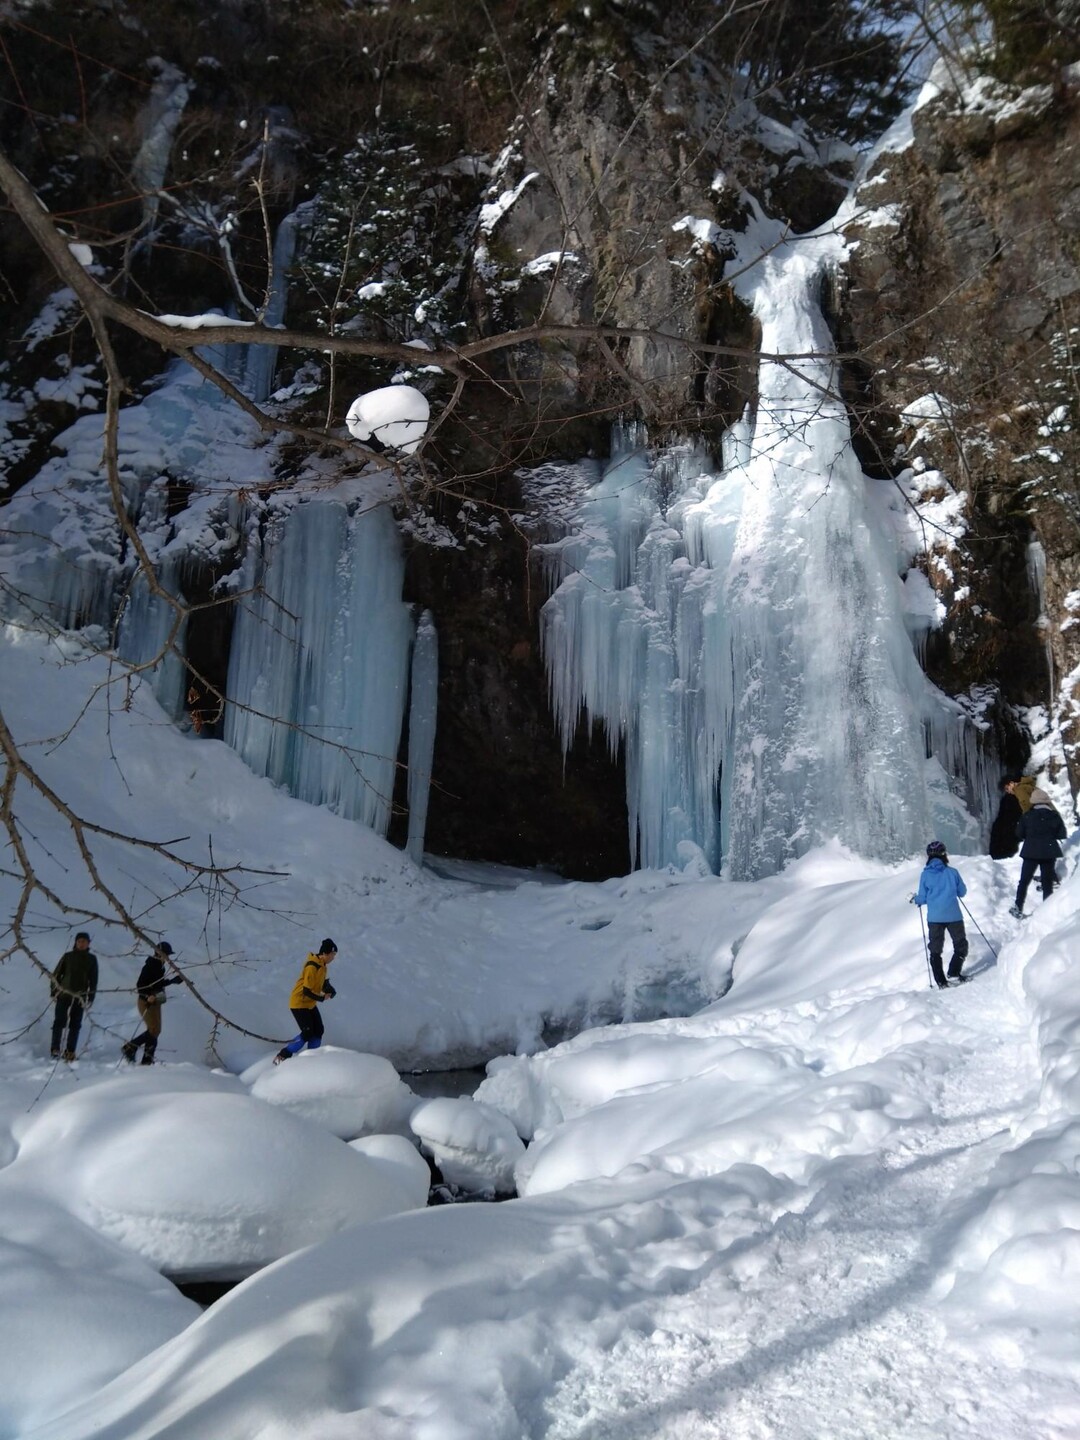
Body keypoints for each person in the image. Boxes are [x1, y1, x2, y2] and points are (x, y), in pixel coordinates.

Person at [912, 840, 969, 988]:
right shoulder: (952, 872)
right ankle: (954, 972)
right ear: (944, 855)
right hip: (954, 916)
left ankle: (941, 982)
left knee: (935, 950)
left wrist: (914, 898)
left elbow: (923, 898)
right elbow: (962, 892)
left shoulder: (925, 875)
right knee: (960, 945)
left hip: (935, 918)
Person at [274, 939, 338, 1064]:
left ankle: (312, 1059)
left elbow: (321, 983)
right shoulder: (312, 966)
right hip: (299, 1003)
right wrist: (321, 998)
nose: (333, 958)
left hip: (309, 1003)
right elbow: (306, 991)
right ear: (325, 953)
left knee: (318, 1030)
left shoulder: (322, 966)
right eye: (332, 955)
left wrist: (329, 989)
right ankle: (283, 1055)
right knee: (308, 1033)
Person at [121, 941, 183, 1065]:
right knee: (153, 1029)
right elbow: (140, 985)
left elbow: (157, 983)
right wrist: (147, 995)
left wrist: (171, 981)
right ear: (159, 953)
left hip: (156, 1000)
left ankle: (145, 1058)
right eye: (166, 954)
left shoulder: (160, 965)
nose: (167, 957)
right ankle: (133, 1050)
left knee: (156, 1030)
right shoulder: (151, 965)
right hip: (146, 1002)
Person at [1011, 788, 1067, 917]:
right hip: (1049, 851)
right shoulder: (1054, 815)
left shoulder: (1027, 816)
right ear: (1046, 802)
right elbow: (1062, 834)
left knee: (1024, 881)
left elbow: (1019, 833)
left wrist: (1031, 836)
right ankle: (1047, 910)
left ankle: (1018, 907)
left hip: (1031, 851)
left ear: (1033, 802)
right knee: (1047, 882)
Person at [50, 931, 98, 1061]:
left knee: (75, 1024)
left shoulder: (92, 959)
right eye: (79, 941)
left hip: (80, 996)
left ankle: (70, 1051)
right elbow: (56, 974)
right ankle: (55, 1049)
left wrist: (91, 996)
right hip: (64, 994)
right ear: (76, 943)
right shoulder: (68, 956)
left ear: (88, 943)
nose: (82, 944)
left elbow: (93, 980)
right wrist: (54, 991)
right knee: (59, 1022)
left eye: (84, 941)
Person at [989, 775, 1035, 859]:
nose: (1007, 791)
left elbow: (1026, 807)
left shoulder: (1020, 790)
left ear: (1011, 783)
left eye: (1007, 788)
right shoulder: (1026, 789)